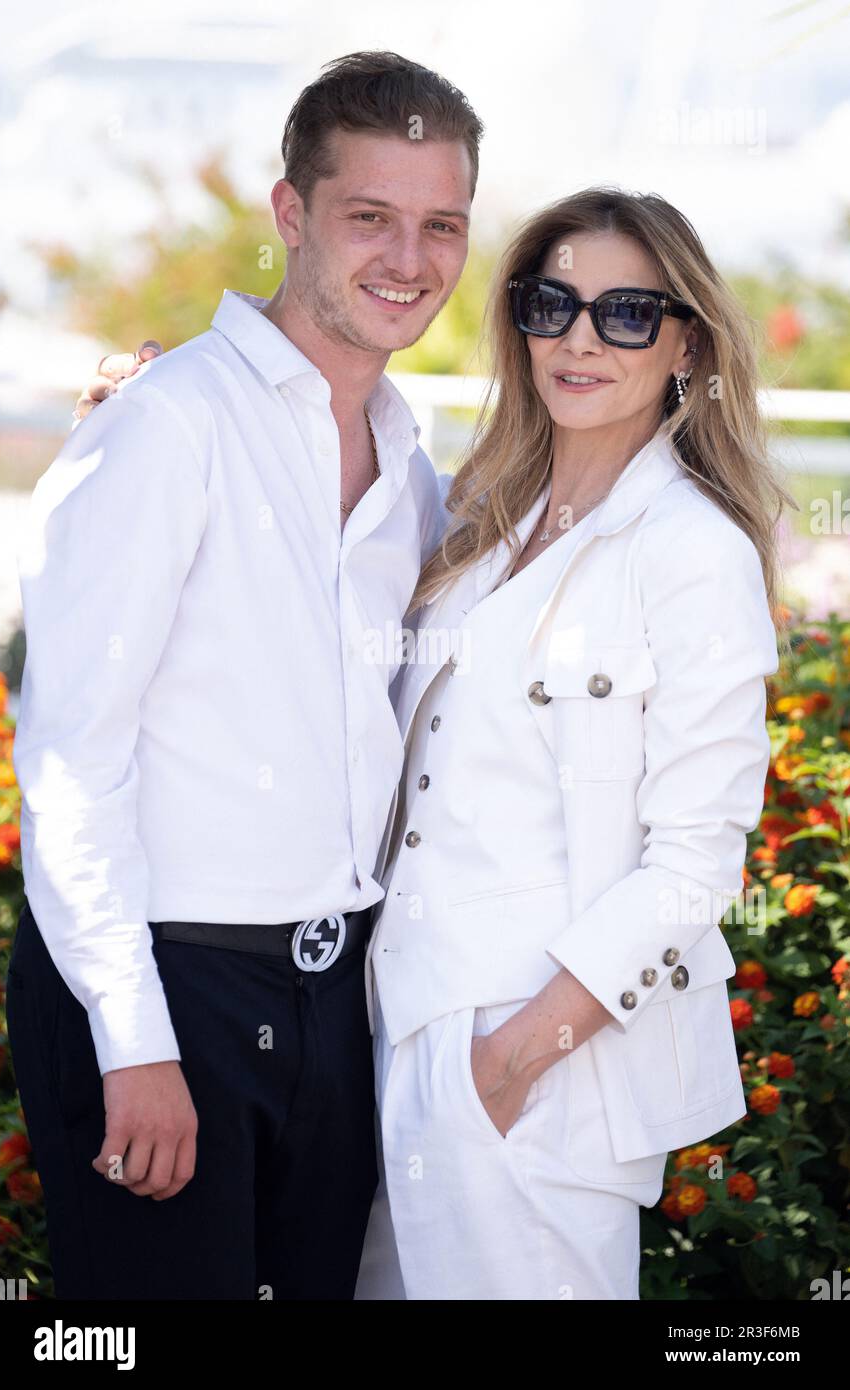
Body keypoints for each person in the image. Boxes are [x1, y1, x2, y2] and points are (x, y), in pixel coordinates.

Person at [7, 50, 481, 1301]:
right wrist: (133, 1039)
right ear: (290, 215)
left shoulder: (410, 469)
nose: (407, 258)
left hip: (334, 992)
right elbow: (68, 753)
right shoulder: (167, 425)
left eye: (440, 224)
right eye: (367, 216)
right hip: (165, 983)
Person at [362, 188, 794, 1299]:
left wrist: (503, 1069)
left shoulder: (691, 550)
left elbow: (692, 867)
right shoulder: (471, 520)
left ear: (685, 340)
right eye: (549, 303)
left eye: (625, 313)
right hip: (389, 1036)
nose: (578, 337)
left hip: (540, 1076)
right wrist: (156, 392)